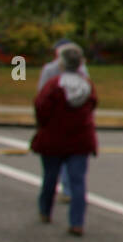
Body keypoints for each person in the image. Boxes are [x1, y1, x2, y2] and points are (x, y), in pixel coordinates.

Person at [32, 44, 98, 236]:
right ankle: (77, 222)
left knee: (50, 177)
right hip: (80, 139)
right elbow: (92, 105)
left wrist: (43, 126)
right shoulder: (87, 86)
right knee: (78, 182)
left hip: (53, 138)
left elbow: (40, 107)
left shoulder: (54, 85)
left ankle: (45, 211)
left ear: (61, 63)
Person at [37, 39, 89, 202]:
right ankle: (60, 195)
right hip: (67, 125)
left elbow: (41, 96)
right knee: (64, 167)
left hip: (61, 125)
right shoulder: (54, 71)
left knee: (57, 166)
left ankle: (54, 198)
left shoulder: (76, 72)